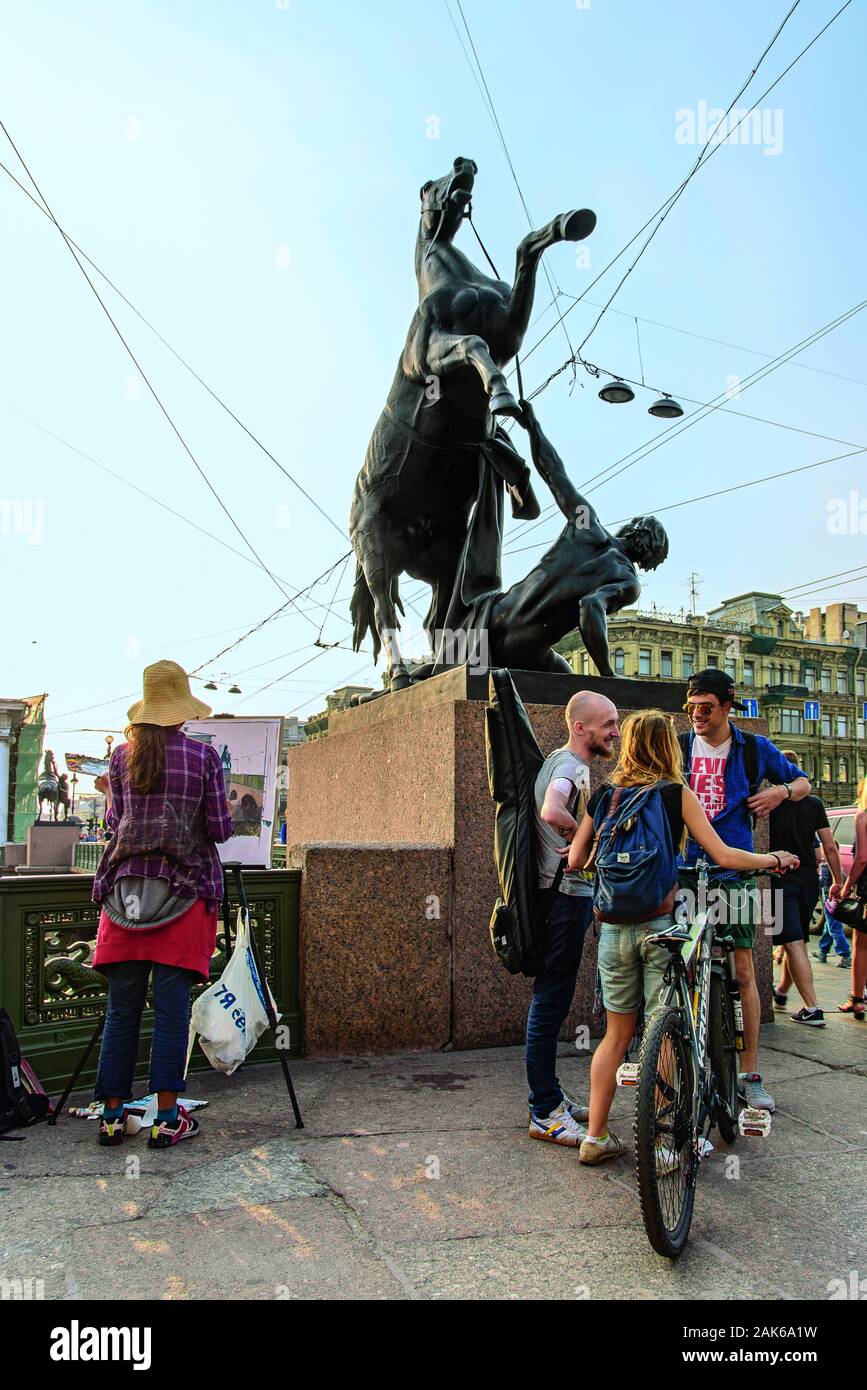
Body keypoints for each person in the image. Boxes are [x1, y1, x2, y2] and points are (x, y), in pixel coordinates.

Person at [565, 709, 798, 1165]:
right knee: (663, 1034)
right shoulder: (676, 794)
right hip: (659, 927)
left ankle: (594, 1136)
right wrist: (773, 859)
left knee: (615, 1036)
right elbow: (725, 855)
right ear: (668, 748)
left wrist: (613, 860)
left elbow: (576, 860)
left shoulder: (606, 795)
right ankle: (661, 1144)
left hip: (612, 930)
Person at [91, 661, 233, 1149]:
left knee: (121, 1010)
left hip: (125, 895)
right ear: (182, 709)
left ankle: (112, 1116)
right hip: (183, 892)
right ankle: (169, 1117)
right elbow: (218, 829)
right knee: (173, 1011)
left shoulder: (120, 757)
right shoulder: (204, 757)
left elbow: (115, 823)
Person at [678, 671, 809, 1113]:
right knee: (678, 967)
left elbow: (804, 783)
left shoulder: (754, 748)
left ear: (728, 706)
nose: (697, 715)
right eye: (691, 706)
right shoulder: (677, 747)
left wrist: (779, 793)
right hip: (684, 871)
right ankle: (676, 1056)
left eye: (706, 707)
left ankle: (750, 1074)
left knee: (745, 971)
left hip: (735, 874)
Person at [526, 690, 620, 1145]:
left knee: (554, 999)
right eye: (608, 724)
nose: (616, 733)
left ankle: (551, 1098)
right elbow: (551, 810)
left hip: (559, 896)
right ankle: (543, 1110)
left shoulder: (559, 760)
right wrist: (583, 839)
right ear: (580, 727)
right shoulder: (571, 767)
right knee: (550, 1001)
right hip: (564, 896)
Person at [769, 760, 842, 1026]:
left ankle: (812, 1007)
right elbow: (829, 846)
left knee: (792, 942)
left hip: (780, 879)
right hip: (809, 881)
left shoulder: (771, 804)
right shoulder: (814, 804)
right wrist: (837, 880)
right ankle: (782, 990)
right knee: (796, 939)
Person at [829, 777, 867, 1021]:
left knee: (861, 945)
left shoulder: (863, 817)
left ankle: (857, 1000)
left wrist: (845, 887)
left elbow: (862, 859)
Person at [814, 843, 852, 966]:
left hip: (830, 902)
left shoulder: (825, 867)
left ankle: (845, 954)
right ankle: (823, 951)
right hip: (838, 902)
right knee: (828, 926)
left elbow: (820, 883)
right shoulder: (839, 869)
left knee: (834, 928)